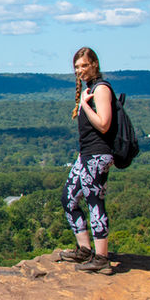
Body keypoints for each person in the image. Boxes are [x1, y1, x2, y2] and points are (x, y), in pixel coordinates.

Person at [59, 46, 115, 274]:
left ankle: (101, 258)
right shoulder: (90, 89)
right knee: (69, 198)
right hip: (86, 155)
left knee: (94, 201)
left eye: (84, 65)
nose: (80, 70)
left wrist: (84, 105)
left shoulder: (101, 89)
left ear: (95, 65)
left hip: (98, 155)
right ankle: (84, 250)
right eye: (76, 67)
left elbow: (104, 123)